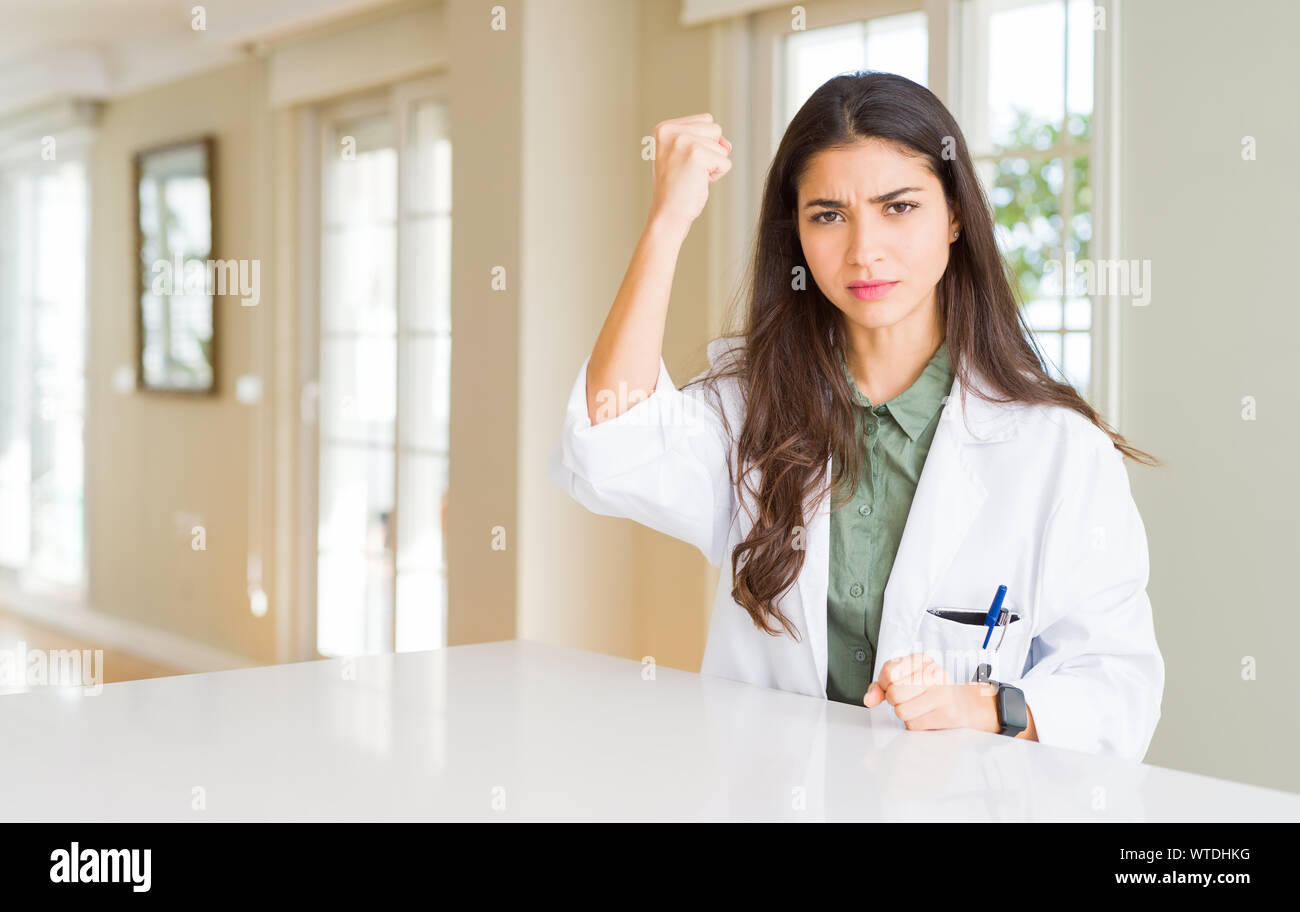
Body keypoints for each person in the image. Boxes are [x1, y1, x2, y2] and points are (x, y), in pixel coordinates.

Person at [547, 72, 1163, 762]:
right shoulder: (749, 407)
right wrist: (668, 221)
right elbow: (610, 444)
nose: (864, 250)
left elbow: (1117, 686)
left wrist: (986, 705)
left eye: (899, 207)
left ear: (955, 215)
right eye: (828, 215)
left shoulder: (1055, 449)